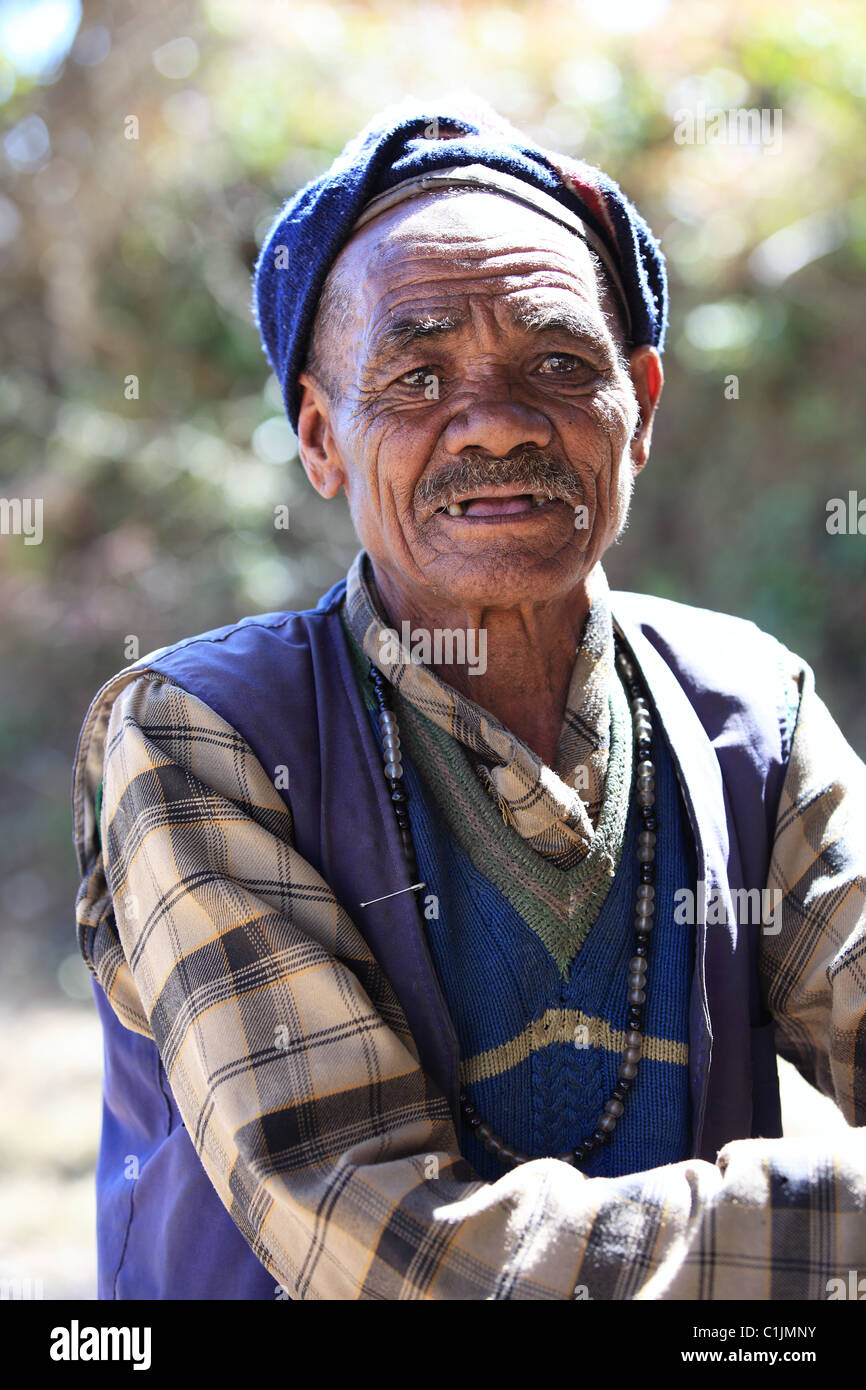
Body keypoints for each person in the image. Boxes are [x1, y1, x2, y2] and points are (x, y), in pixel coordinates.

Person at [73, 97, 866, 1300]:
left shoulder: (746, 708)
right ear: (321, 438)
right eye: (416, 373)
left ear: (639, 409)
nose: (495, 421)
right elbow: (392, 1249)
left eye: (557, 364)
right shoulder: (201, 735)